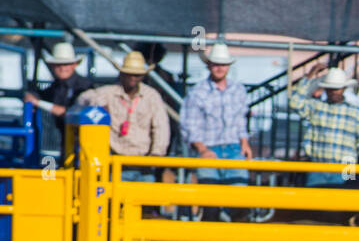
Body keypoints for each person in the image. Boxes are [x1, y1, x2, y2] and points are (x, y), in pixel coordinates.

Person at [74, 50, 171, 180]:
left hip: (143, 163)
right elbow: (82, 99)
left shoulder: (151, 96)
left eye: (137, 75)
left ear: (143, 76)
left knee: (145, 199)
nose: (133, 78)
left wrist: (157, 154)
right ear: (121, 74)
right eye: (129, 74)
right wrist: (97, 106)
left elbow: (161, 127)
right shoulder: (108, 93)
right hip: (114, 162)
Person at [289, 65, 359, 187]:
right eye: (330, 88)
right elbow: (295, 102)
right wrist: (310, 75)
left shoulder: (357, 112)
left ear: (344, 88)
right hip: (319, 165)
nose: (333, 91)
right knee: (317, 203)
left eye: (337, 88)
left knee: (345, 203)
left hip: (347, 166)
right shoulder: (317, 107)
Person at [180, 42, 253, 188]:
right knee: (210, 200)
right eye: (216, 64)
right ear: (209, 66)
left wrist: (245, 143)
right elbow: (189, 125)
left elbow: (240, 120)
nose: (220, 68)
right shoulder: (197, 92)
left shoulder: (238, 89)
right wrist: (202, 149)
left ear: (228, 66)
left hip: (234, 148)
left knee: (239, 196)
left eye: (223, 64)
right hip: (208, 148)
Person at [23, 41, 92, 156]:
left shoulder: (84, 86)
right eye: (58, 64)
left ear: (75, 64)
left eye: (66, 64)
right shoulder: (56, 86)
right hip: (64, 142)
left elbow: (71, 114)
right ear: (52, 66)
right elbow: (39, 95)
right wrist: (31, 97)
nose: (62, 68)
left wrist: (37, 102)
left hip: (81, 145)